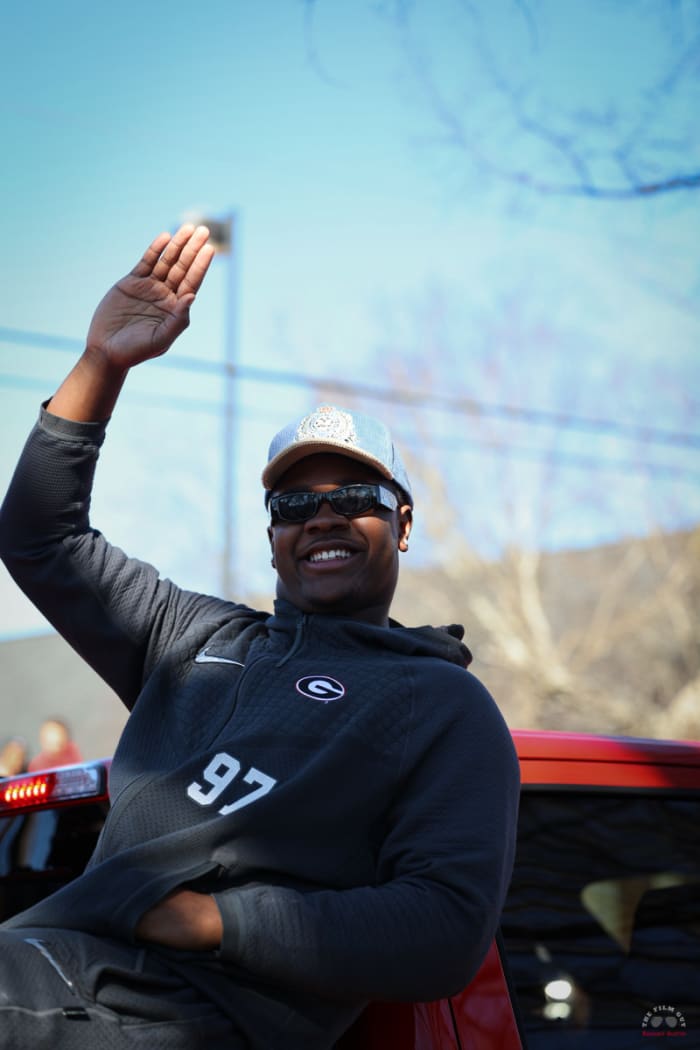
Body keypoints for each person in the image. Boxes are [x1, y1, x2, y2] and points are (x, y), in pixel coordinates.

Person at [0, 224, 520, 1049]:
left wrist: (213, 922)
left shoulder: (443, 706)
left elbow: (445, 926)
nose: (321, 516)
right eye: (292, 504)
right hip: (49, 967)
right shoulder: (191, 635)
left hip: (165, 1014)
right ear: (272, 533)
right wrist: (103, 364)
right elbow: (40, 538)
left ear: (404, 523)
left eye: (354, 495)